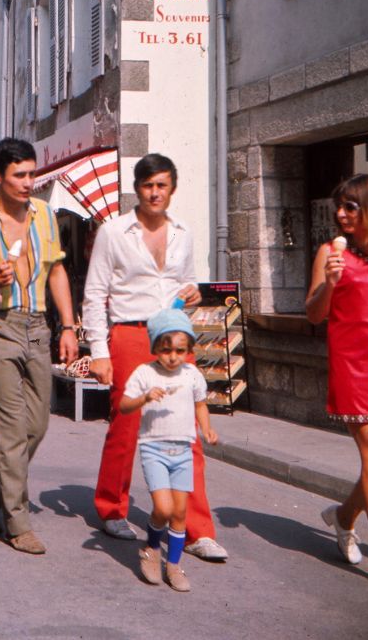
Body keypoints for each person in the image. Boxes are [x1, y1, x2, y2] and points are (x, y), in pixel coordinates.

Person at [82, 153, 227, 561]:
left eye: (162, 185)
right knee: (126, 424)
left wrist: (193, 291)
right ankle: (111, 507)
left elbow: (186, 282)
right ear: (137, 188)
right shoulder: (114, 232)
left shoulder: (183, 232)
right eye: (148, 185)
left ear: (172, 188)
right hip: (129, 332)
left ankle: (197, 530)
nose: (155, 192)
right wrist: (98, 351)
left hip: (175, 334)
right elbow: (95, 294)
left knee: (186, 431)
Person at [0, 138, 78, 554]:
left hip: (39, 327)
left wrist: (69, 327)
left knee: (36, 425)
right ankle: (16, 520)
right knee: (8, 429)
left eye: (32, 173)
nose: (28, 182)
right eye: (19, 175)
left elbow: (56, 270)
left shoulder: (44, 215)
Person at [120, 309, 218, 592]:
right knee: (163, 508)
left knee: (180, 513)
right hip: (154, 449)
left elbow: (201, 404)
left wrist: (206, 428)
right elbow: (124, 406)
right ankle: (151, 548)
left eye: (180, 351)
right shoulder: (145, 373)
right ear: (155, 348)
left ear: (188, 350)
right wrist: (144, 397)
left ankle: (173, 564)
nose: (173, 357)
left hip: (183, 451)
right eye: (166, 350)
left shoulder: (192, 375)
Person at [306, 173, 368, 565]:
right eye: (339, 205)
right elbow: (314, 314)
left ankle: (343, 517)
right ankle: (345, 520)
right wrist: (329, 283)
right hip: (353, 364)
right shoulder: (330, 252)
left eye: (351, 206)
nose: (342, 213)